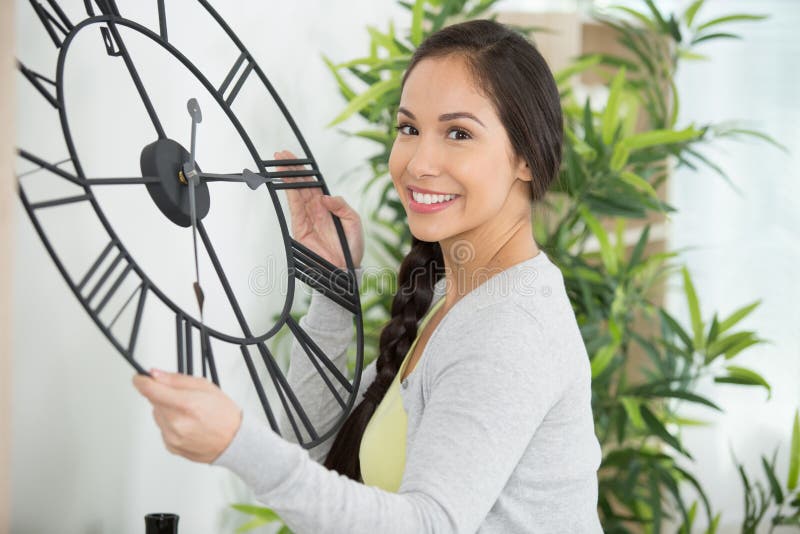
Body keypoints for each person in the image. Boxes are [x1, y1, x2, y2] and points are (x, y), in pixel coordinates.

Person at [133, 18, 603, 533]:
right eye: (409, 128)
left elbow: (426, 526)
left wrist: (237, 443)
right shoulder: (457, 296)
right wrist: (335, 287)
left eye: (459, 133)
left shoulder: (511, 327)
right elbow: (312, 445)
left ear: (526, 157)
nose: (419, 162)